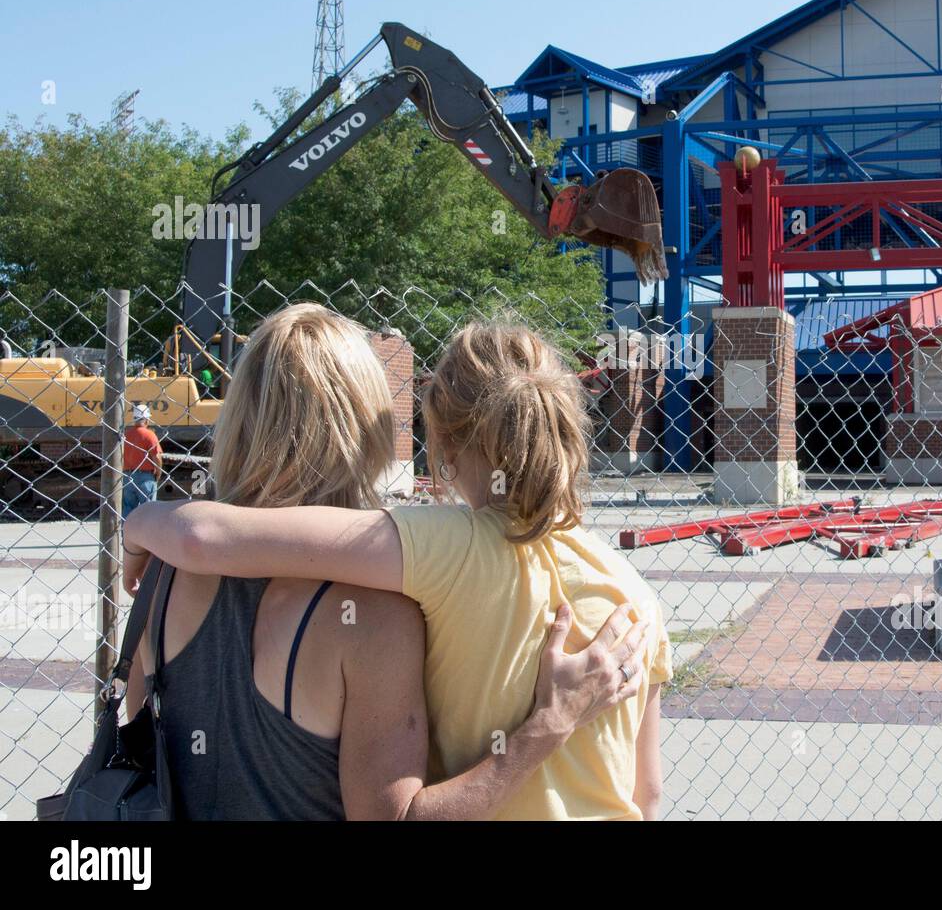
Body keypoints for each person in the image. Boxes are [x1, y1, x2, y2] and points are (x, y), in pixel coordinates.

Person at [125, 320, 672, 820]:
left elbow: (153, 750)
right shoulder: (636, 597)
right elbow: (645, 799)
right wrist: (548, 726)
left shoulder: (162, 577)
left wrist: (139, 521)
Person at [122, 404, 163, 518]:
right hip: (145, 478)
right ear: (146, 419)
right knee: (149, 511)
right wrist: (158, 473)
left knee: (128, 509)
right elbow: (157, 457)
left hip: (128, 477)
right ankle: (147, 535)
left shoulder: (126, 435)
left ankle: (126, 534)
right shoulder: (149, 435)